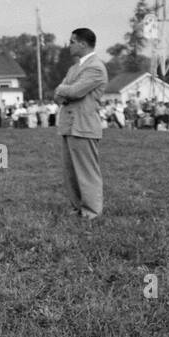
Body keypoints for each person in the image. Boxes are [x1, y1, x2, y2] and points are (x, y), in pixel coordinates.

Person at [54, 27, 107, 220]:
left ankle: (92, 211)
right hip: (69, 125)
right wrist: (65, 91)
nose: (69, 45)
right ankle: (78, 208)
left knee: (86, 172)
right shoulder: (74, 68)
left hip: (84, 125)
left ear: (83, 44)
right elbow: (57, 96)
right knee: (71, 172)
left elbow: (74, 91)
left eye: (71, 42)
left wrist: (63, 89)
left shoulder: (96, 67)